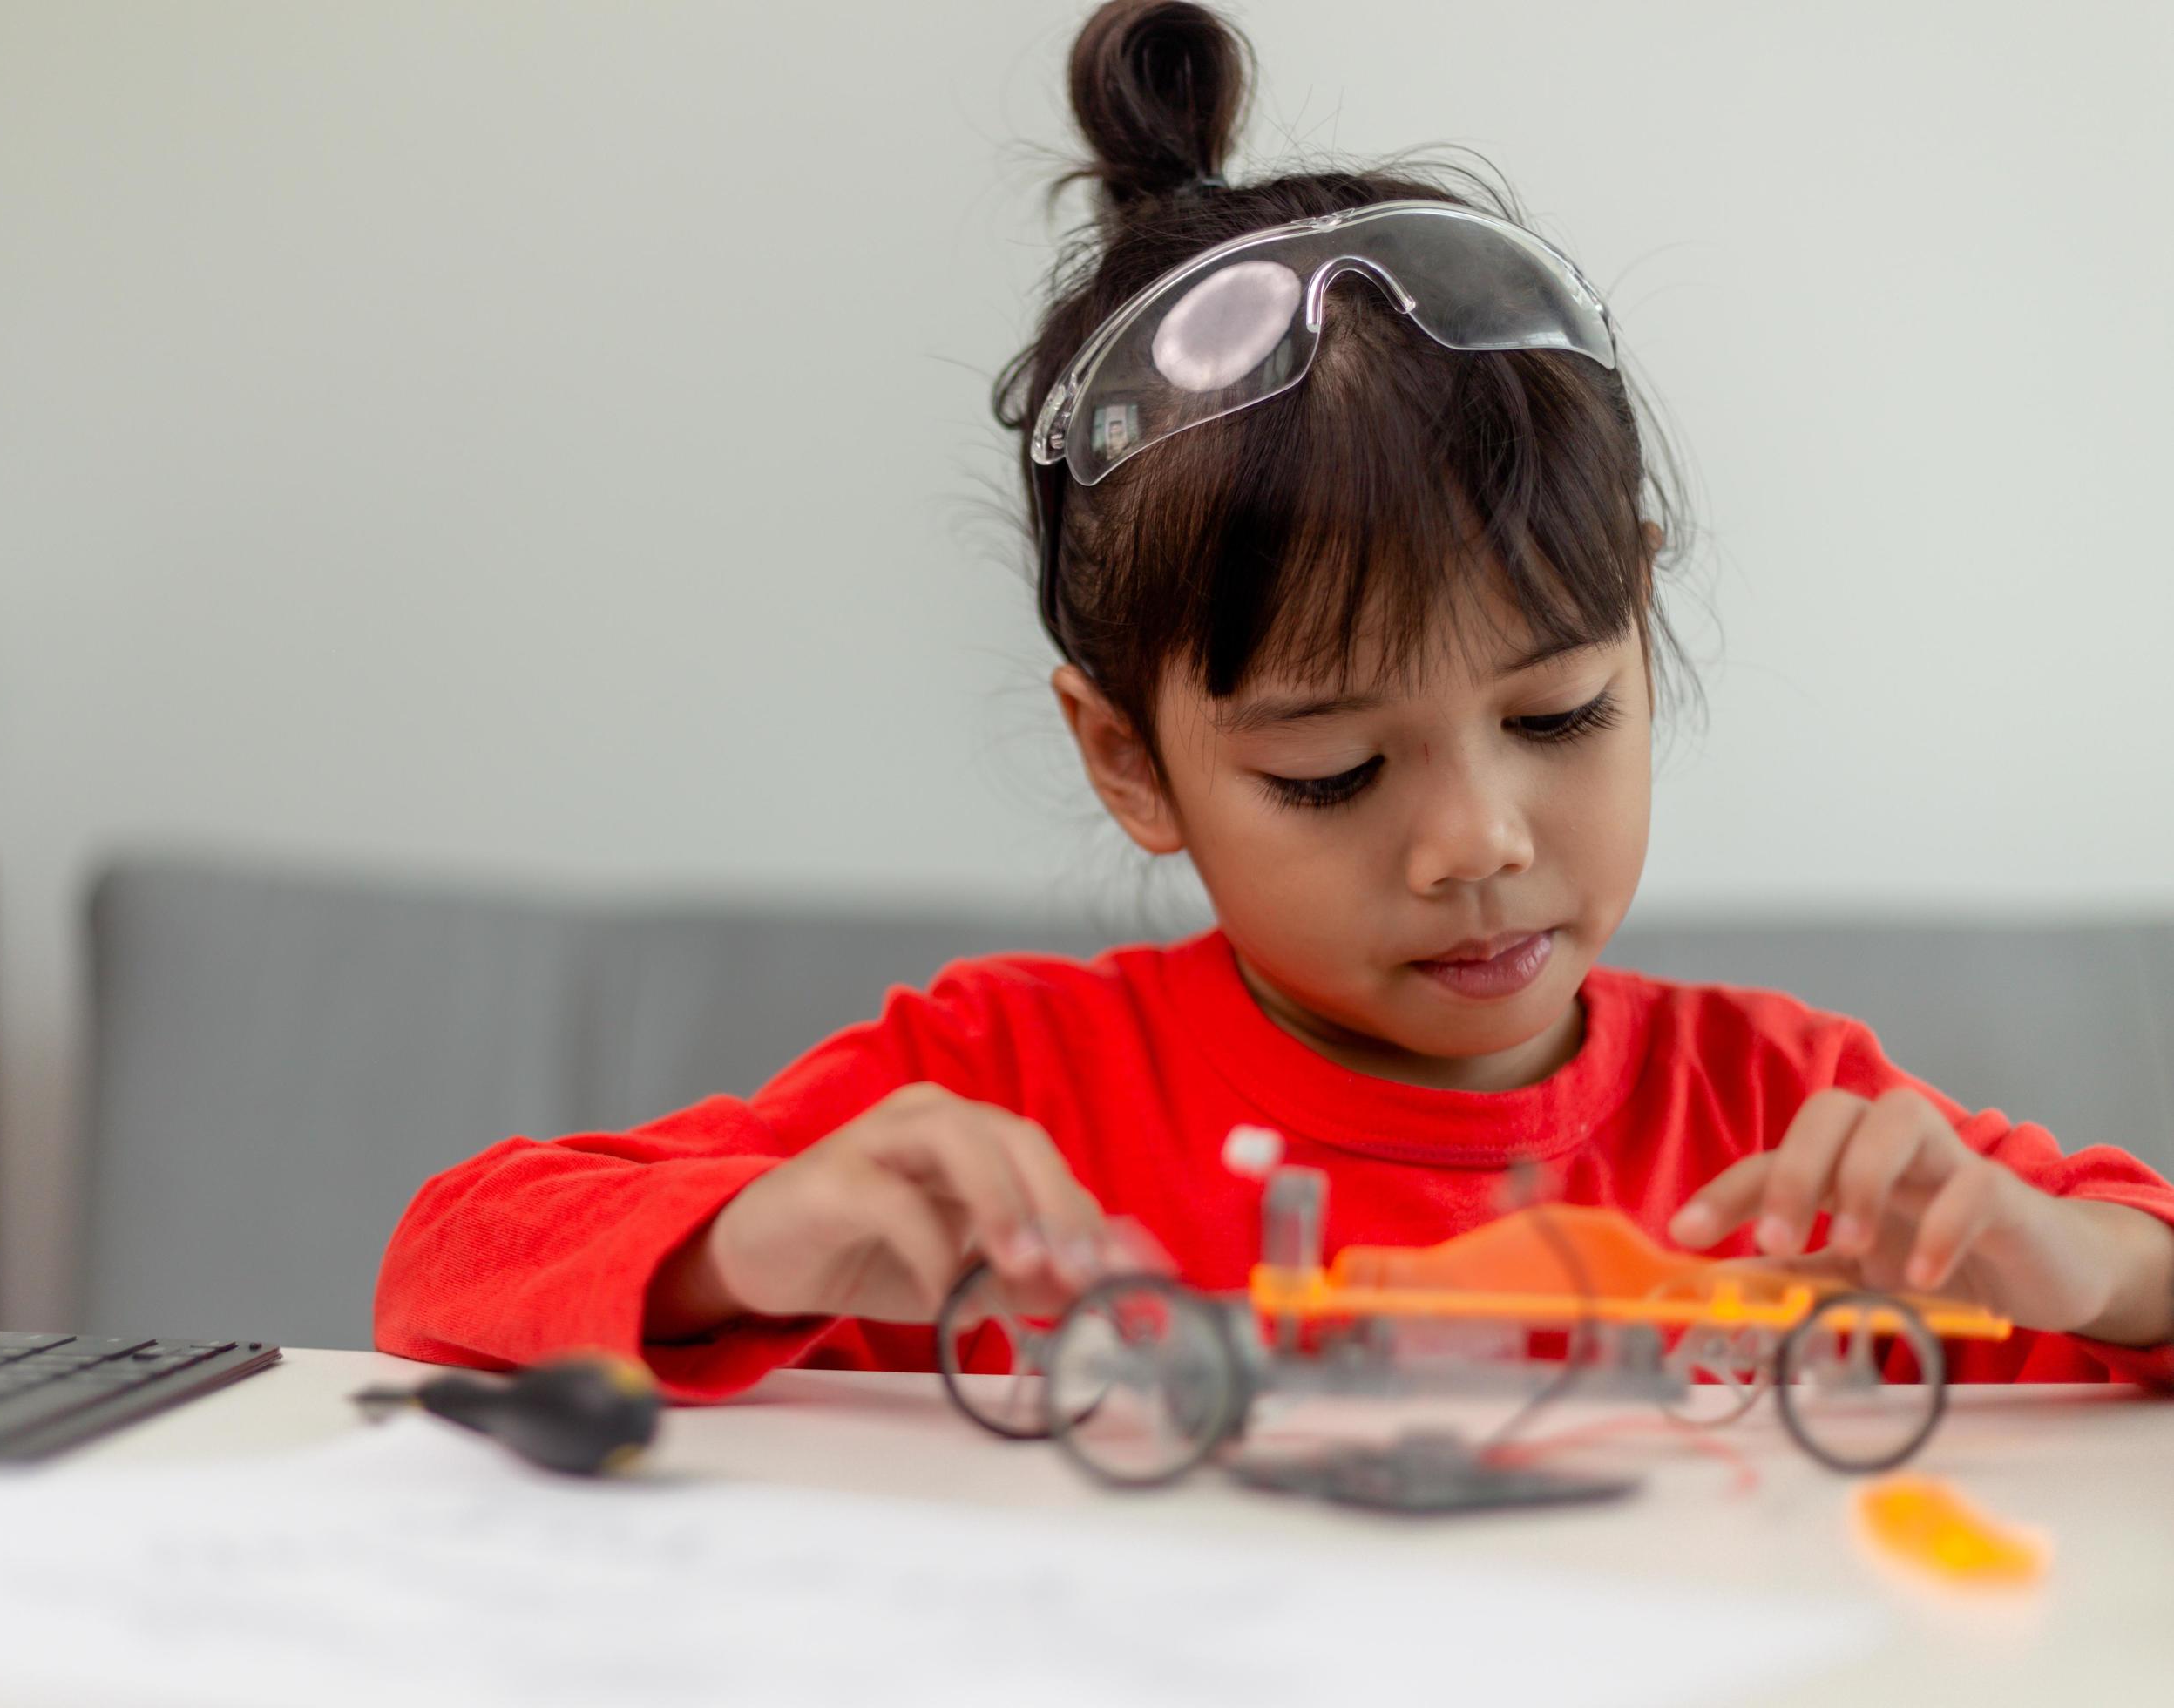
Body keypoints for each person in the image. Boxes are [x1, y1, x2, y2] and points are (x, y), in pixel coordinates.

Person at [374, 0, 2174, 1397]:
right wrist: (744, 1245)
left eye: (1558, 716)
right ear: (1129, 761)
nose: (1476, 841)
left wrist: (2087, 1269)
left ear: (1640, 629)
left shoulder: (1784, 1118)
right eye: (1329, 769)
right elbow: (451, 1257)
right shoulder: (1004, 1092)